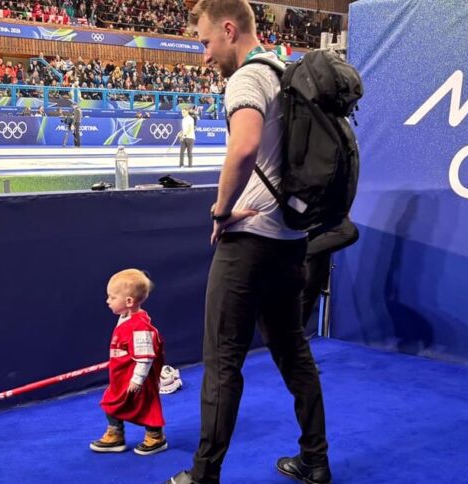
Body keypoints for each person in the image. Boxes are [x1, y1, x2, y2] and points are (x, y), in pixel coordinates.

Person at [167, 1, 331, 483]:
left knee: (222, 362)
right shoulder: (288, 72)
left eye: (204, 41)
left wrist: (221, 210)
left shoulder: (246, 78)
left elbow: (243, 147)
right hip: (291, 239)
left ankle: (203, 476)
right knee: (295, 354)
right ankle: (316, 462)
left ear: (230, 29)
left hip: (249, 244)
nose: (203, 55)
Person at [90, 269, 168, 456]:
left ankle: (155, 436)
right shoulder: (124, 318)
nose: (107, 301)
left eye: (112, 297)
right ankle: (115, 434)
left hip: (134, 378)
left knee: (146, 405)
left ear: (129, 302)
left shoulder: (140, 327)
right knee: (111, 401)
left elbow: (146, 357)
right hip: (120, 375)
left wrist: (137, 380)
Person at [300, 217, 359, 330]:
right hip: (305, 220)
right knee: (348, 232)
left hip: (321, 226)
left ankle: (296, 337)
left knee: (311, 286)